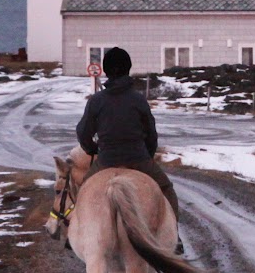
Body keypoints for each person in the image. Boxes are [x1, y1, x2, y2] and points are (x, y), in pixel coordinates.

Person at [76, 47, 183, 252]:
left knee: (83, 191)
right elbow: (151, 133)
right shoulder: (138, 99)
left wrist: (92, 149)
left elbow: (83, 132)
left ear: (106, 70)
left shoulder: (96, 101)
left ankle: (79, 230)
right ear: (128, 69)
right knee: (167, 189)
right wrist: (147, 156)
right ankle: (174, 237)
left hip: (106, 160)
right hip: (138, 159)